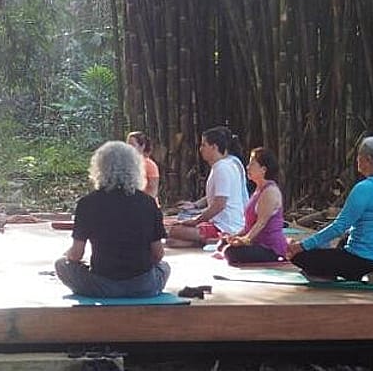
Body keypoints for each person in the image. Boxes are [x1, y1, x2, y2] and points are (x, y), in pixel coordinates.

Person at [55, 141, 170, 298]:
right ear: (135, 168)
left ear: (99, 168)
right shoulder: (148, 203)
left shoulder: (87, 203)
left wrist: (67, 256)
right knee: (165, 267)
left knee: (61, 264)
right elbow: (158, 255)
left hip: (102, 285)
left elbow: (76, 254)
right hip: (143, 286)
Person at [286, 136, 373, 281]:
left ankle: (331, 273)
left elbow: (339, 226)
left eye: (359, 156)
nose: (357, 159)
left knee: (298, 256)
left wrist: (303, 246)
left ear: (368, 159)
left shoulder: (365, 188)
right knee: (341, 242)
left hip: (365, 262)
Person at [168, 126, 248, 246]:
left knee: (174, 231)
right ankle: (203, 242)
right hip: (222, 223)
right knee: (173, 240)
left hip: (225, 226)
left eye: (203, 145)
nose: (200, 149)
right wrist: (195, 206)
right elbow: (218, 195)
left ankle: (217, 240)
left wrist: (196, 221)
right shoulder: (227, 165)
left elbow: (219, 204)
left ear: (214, 147)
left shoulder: (222, 168)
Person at [221, 147, 287, 264]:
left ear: (263, 169)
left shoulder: (270, 192)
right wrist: (234, 236)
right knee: (223, 244)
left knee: (230, 252)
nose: (248, 167)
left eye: (252, 164)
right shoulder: (258, 190)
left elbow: (261, 223)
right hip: (255, 243)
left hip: (270, 248)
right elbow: (248, 226)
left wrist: (245, 240)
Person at [126, 130, 161, 201]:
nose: (128, 149)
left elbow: (153, 192)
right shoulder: (125, 164)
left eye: (132, 145)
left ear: (142, 146)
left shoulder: (150, 165)